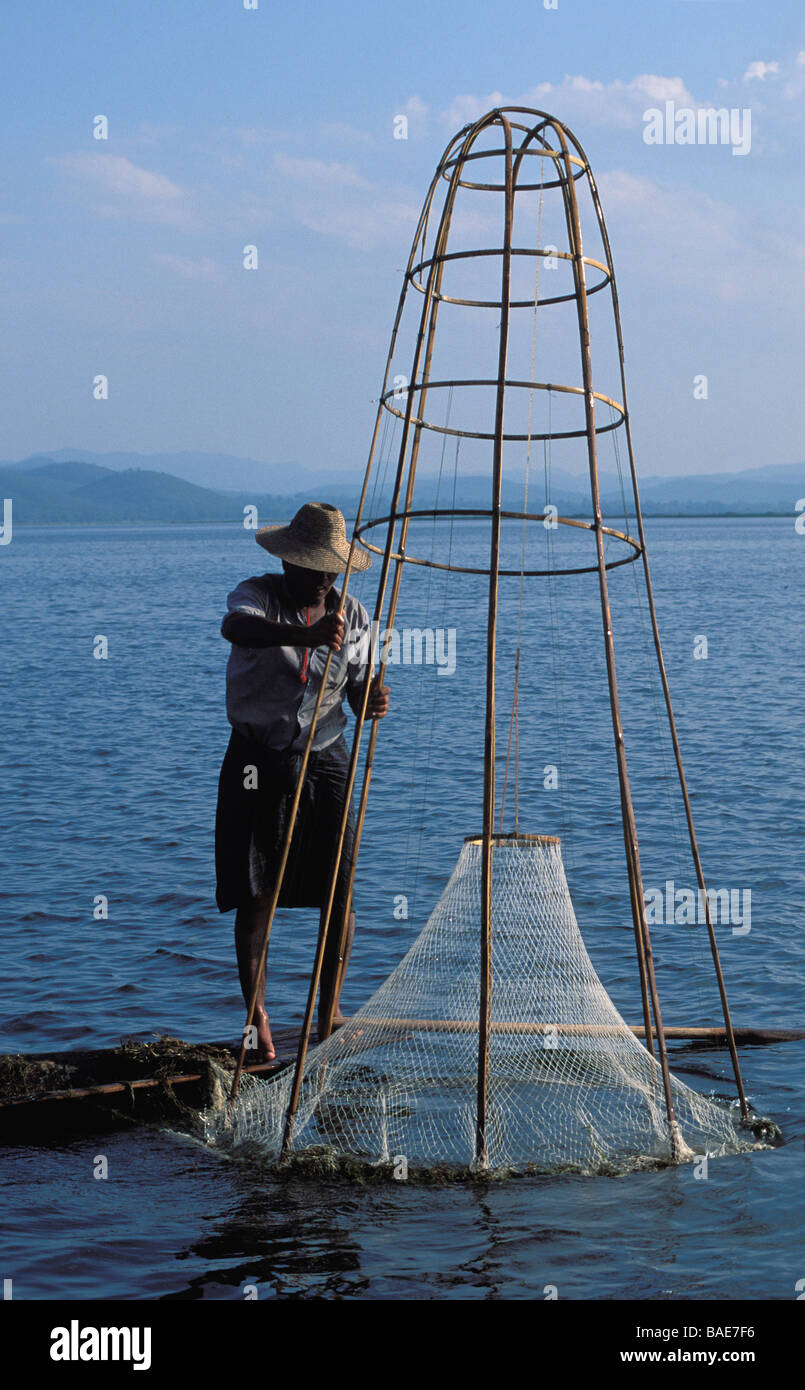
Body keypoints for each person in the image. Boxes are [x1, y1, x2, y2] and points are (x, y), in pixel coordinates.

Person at [215, 502, 389, 1061]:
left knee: (339, 885)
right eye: (310, 567)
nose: (321, 578)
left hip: (325, 754)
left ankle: (329, 1013)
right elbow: (233, 626)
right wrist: (301, 635)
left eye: (329, 569)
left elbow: (359, 691)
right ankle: (257, 1019)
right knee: (256, 885)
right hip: (257, 757)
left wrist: (373, 700)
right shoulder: (258, 597)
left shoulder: (355, 616)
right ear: (287, 563)